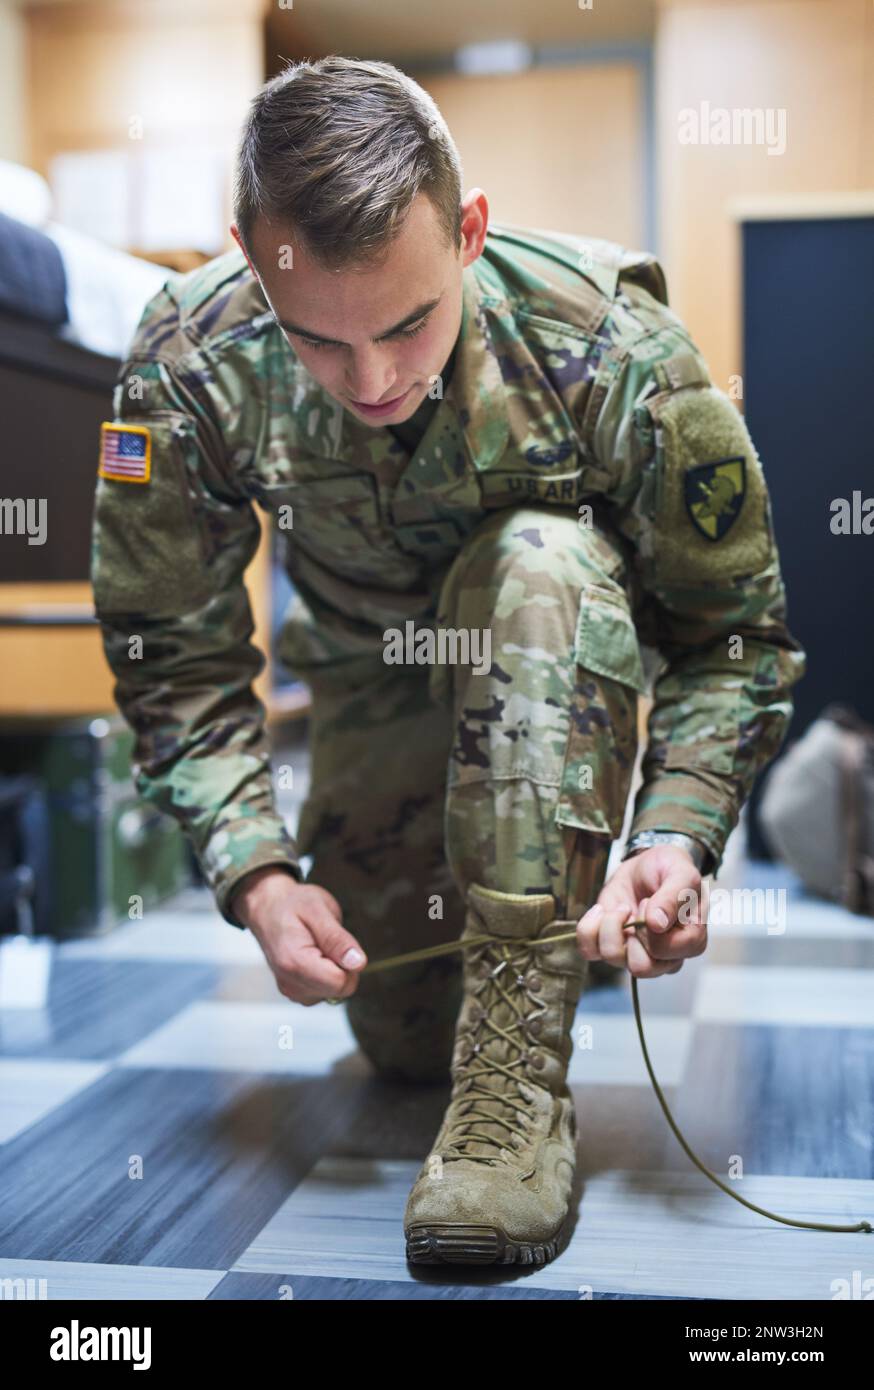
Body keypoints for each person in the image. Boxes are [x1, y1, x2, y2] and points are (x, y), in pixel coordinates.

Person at [90, 56, 806, 1268]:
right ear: (247, 254)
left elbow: (732, 638)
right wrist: (258, 874)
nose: (371, 381)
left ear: (468, 232)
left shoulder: (611, 346)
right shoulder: (189, 356)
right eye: (316, 337)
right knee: (410, 1044)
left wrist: (672, 838)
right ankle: (474, 1003)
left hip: (552, 680)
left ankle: (521, 1090)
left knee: (538, 559)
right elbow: (172, 656)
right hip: (373, 687)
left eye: (409, 322)